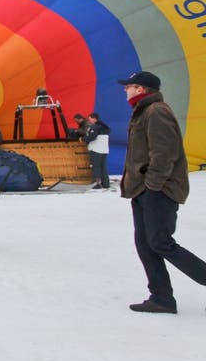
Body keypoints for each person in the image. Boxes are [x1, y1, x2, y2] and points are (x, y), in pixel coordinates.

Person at [118, 70, 206, 314]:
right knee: (145, 244)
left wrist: (152, 185)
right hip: (143, 189)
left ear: (142, 89)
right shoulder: (143, 112)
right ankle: (162, 298)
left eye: (130, 85)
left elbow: (164, 153)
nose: (126, 89)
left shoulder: (156, 112)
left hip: (158, 189)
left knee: (160, 242)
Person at [84, 111, 111, 189]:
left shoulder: (95, 127)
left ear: (94, 118)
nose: (89, 121)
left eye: (90, 119)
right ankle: (106, 183)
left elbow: (91, 137)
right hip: (104, 149)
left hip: (96, 149)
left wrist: (83, 139)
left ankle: (97, 184)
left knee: (95, 167)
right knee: (103, 167)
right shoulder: (106, 127)